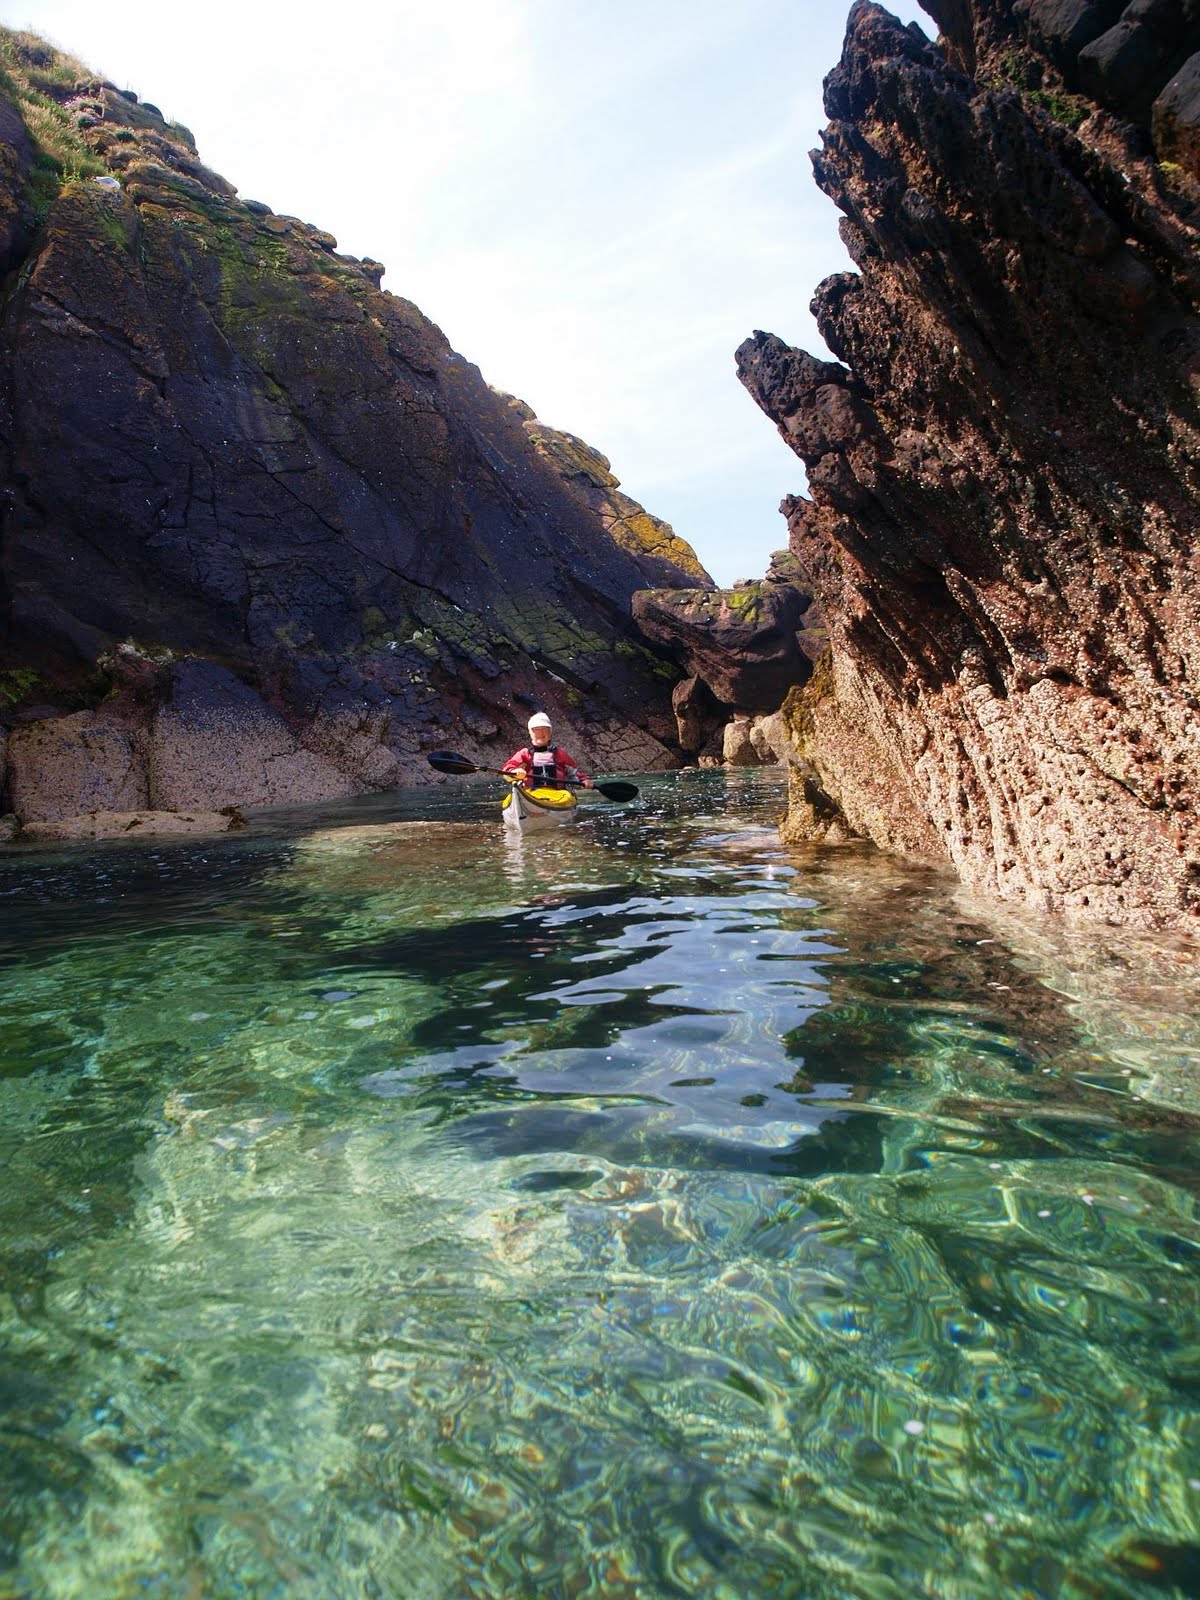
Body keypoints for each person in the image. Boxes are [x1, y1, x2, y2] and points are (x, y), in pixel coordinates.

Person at [503, 712, 593, 789]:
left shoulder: (560, 753)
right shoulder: (525, 753)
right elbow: (507, 769)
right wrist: (514, 771)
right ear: (530, 733)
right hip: (532, 792)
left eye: (544, 729)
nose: (540, 733)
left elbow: (574, 773)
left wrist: (584, 780)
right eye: (536, 730)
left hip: (558, 794)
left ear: (550, 733)